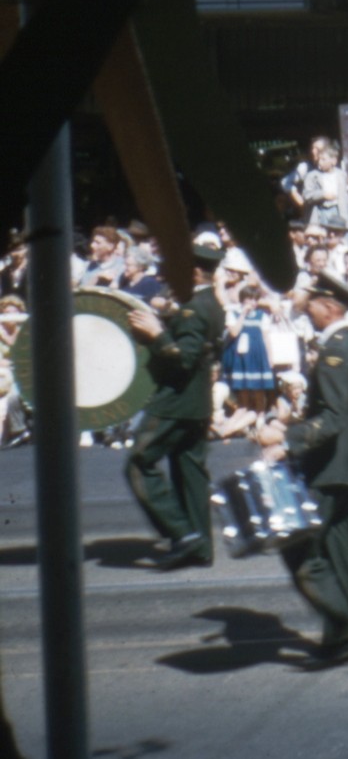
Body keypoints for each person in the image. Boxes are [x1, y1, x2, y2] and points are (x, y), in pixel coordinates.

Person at [261, 271, 348, 669]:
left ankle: (345, 631)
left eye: (313, 307)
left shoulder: (338, 349)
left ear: (330, 307)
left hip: (328, 467)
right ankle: (346, 639)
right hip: (340, 465)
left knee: (302, 550)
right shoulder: (343, 343)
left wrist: (287, 442)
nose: (308, 313)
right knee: (339, 553)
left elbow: (334, 417)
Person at [123, 238, 228, 570]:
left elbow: (183, 359)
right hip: (196, 402)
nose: (165, 274)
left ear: (194, 273)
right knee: (190, 471)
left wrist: (157, 333)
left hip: (176, 402)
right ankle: (200, 547)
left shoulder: (193, 308)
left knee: (138, 463)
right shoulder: (209, 303)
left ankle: (183, 535)